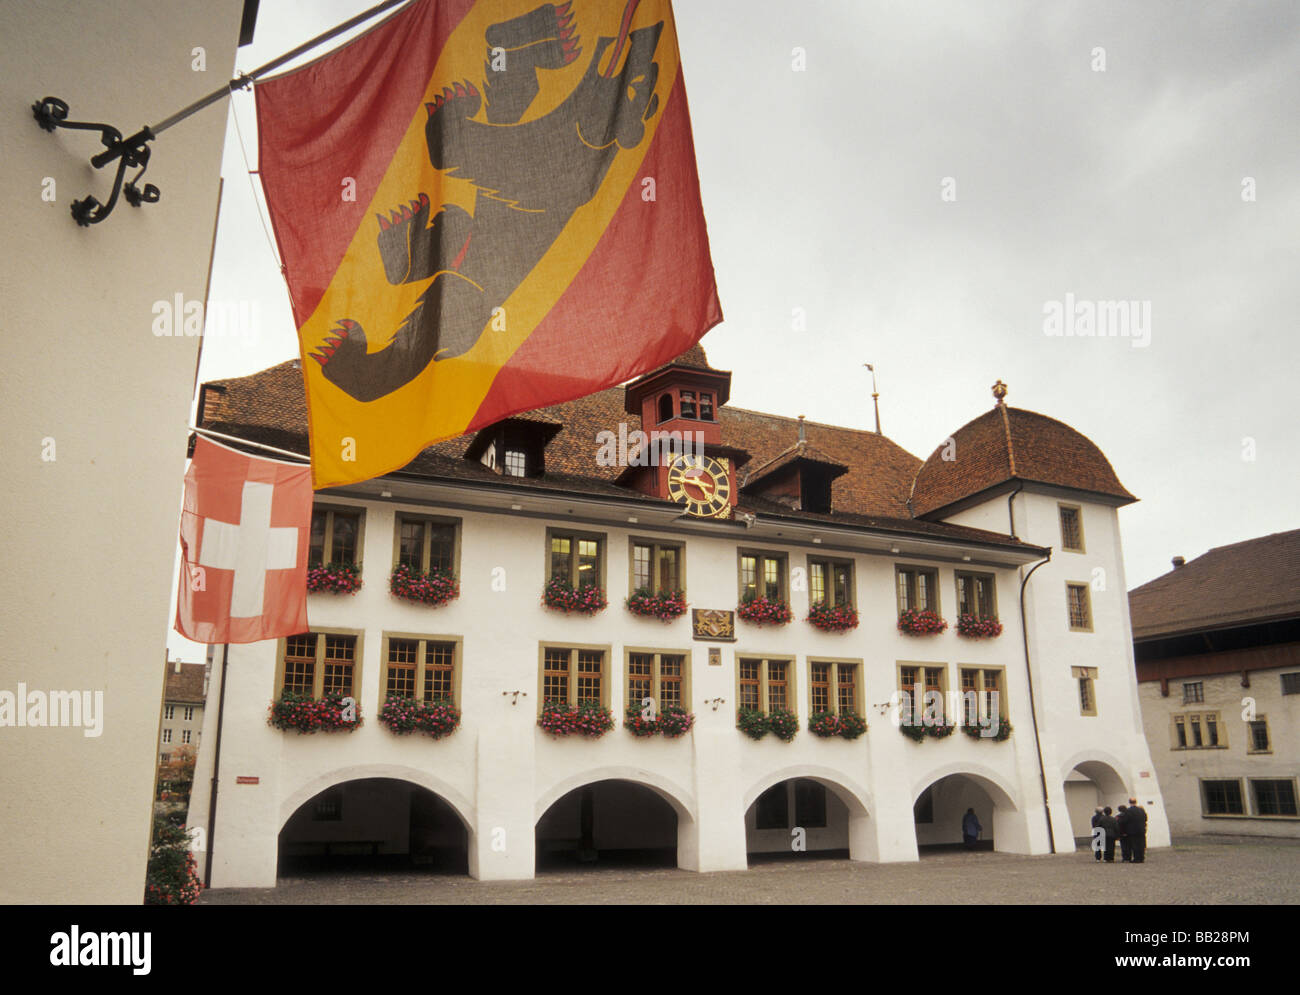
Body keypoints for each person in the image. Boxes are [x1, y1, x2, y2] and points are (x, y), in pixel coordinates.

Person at [1127, 797, 1148, 863]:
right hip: (1142, 829)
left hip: (1133, 830)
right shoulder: (1141, 810)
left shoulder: (1129, 810)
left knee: (1135, 844)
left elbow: (1126, 820)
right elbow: (1145, 818)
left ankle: (1136, 858)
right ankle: (1142, 857)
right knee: (1141, 844)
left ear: (1129, 802)